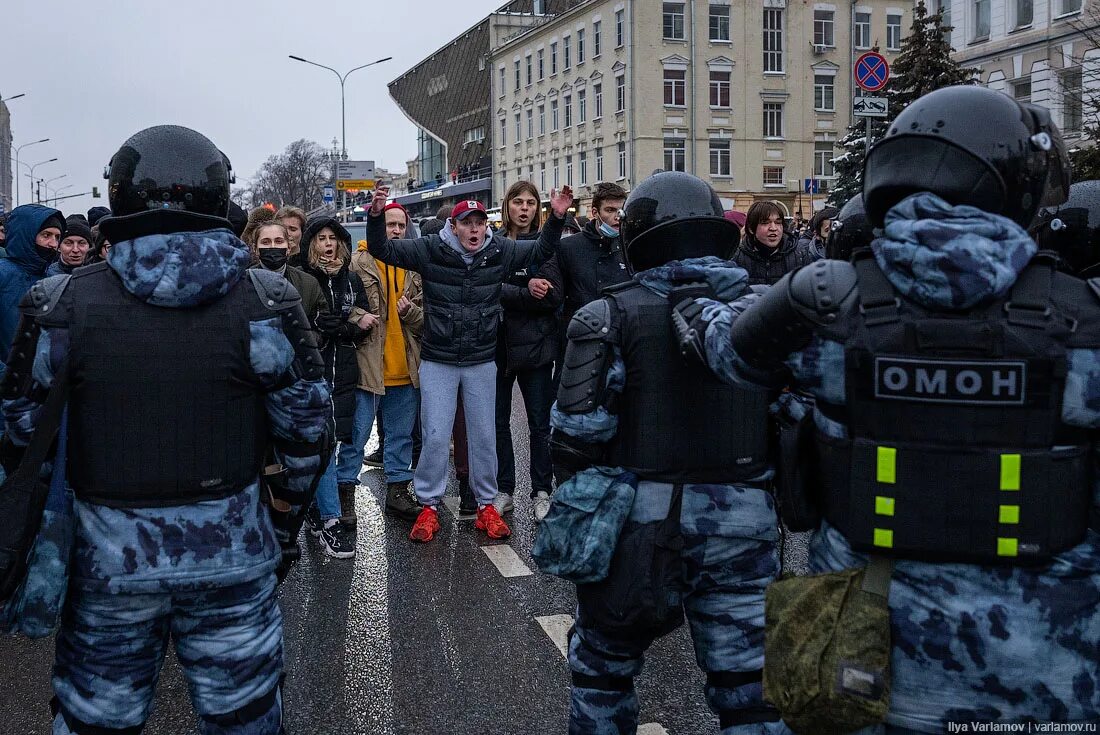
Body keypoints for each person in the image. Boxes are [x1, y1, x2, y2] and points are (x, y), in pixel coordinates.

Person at [673, 85, 1100, 731]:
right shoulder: (1086, 319)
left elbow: (725, 351)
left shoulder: (829, 302)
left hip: (863, 665)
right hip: (1047, 674)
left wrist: (688, 293)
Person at [0, 124, 330, 734]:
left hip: (107, 568)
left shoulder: (58, 304)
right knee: (247, 721)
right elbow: (308, 434)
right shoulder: (264, 300)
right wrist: (278, 529)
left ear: (120, 195)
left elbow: (20, 441)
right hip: (234, 560)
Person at [551, 171, 782, 733]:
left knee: (603, 674)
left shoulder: (605, 316)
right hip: (744, 524)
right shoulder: (766, 312)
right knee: (752, 691)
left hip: (636, 525)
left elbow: (575, 435)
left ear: (636, 235)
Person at [366, 186, 573, 543]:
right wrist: (375, 216)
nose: (475, 230)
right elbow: (382, 249)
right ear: (454, 226)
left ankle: (486, 506)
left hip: (480, 360)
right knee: (433, 436)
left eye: (479, 223)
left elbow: (541, 249)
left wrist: (555, 216)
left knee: (483, 436)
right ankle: (429, 507)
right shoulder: (431, 249)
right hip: (439, 360)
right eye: (467, 224)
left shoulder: (498, 250)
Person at [302, 214, 375, 551]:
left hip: (345, 368)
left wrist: (342, 326)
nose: (328, 245)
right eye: (321, 239)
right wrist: (333, 325)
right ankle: (328, 514)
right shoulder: (304, 276)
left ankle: (327, 507)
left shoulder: (350, 279)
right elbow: (310, 322)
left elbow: (363, 319)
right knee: (321, 445)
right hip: (312, 370)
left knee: (342, 440)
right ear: (311, 244)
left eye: (333, 239)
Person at [349, 202, 425, 520]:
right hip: (369, 366)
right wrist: (358, 316)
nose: (395, 230)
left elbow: (426, 319)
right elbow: (344, 309)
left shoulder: (414, 263)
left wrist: (411, 313)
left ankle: (397, 491)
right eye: (389, 224)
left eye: (399, 225)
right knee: (357, 436)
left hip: (405, 365)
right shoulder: (357, 263)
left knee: (401, 436)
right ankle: (344, 496)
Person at [495, 181, 563, 521]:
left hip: (535, 347)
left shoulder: (545, 245)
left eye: (531, 203)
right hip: (498, 346)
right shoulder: (493, 244)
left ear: (538, 209)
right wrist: (524, 290)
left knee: (539, 424)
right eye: (518, 202)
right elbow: (487, 289)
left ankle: (541, 491)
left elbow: (552, 297)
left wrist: (512, 291)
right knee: (498, 423)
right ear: (507, 206)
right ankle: (504, 489)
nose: (524, 208)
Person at [0, 203, 64, 362]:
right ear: (26, 235)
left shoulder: (51, 277)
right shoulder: (3, 275)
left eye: (57, 237)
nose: (53, 244)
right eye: (46, 235)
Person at [250, 221, 324, 323]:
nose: (273, 246)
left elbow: (321, 324)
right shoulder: (243, 283)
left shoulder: (308, 284)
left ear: (288, 248)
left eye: (279, 241)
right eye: (265, 242)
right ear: (255, 249)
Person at [730, 201, 816, 286]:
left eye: (778, 223)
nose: (773, 228)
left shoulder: (800, 255)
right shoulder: (736, 257)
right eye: (765, 223)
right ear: (751, 229)